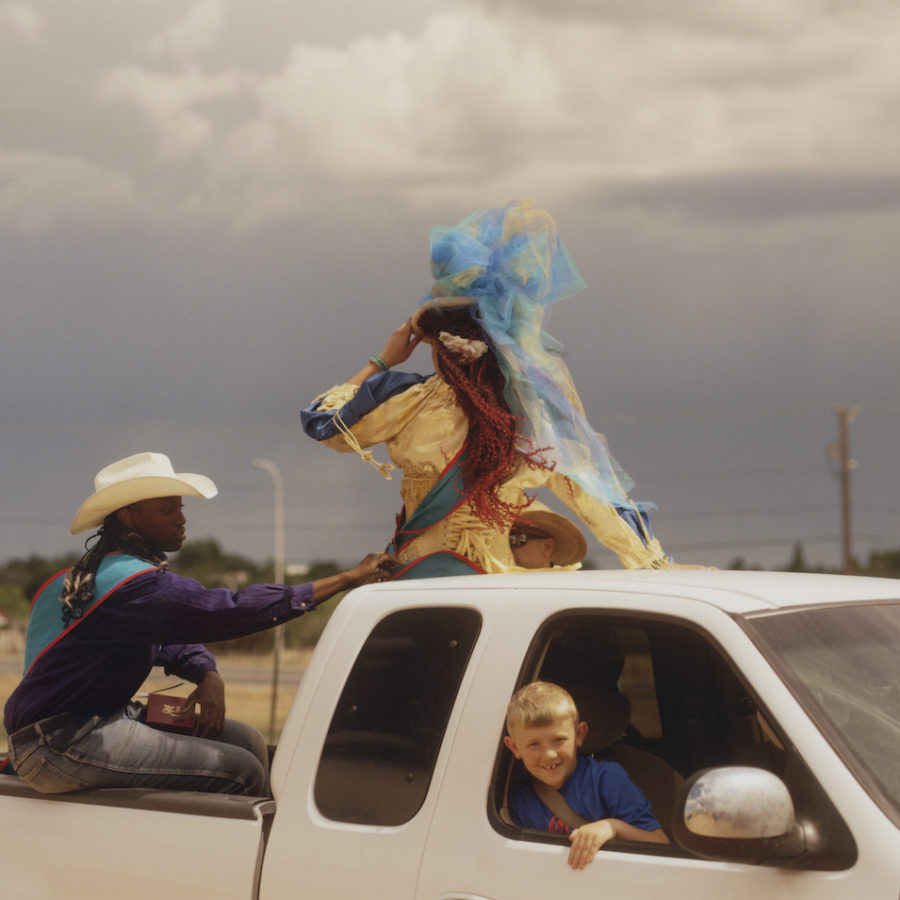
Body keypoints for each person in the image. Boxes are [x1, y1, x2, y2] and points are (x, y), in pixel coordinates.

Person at [302, 199, 677, 579]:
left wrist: (382, 360)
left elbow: (323, 423)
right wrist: (654, 563)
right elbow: (595, 497)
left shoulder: (407, 401)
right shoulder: (533, 418)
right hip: (493, 586)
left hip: (417, 581)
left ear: (438, 346)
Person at [3, 452, 396, 796]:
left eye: (180, 508)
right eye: (167, 510)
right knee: (242, 771)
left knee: (249, 741)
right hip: (60, 743)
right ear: (128, 516)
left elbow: (168, 637)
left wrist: (207, 674)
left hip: (93, 722)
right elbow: (224, 610)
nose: (181, 520)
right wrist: (345, 579)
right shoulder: (130, 584)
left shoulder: (99, 575)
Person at [503, 681, 668, 870]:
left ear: (579, 735)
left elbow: (660, 844)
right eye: (534, 744)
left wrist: (613, 827)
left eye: (558, 740)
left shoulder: (607, 779)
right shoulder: (517, 800)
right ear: (514, 747)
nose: (549, 754)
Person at [509, 500, 588, 570]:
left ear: (548, 546)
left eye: (516, 539)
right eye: (505, 541)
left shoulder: (567, 582)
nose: (507, 548)